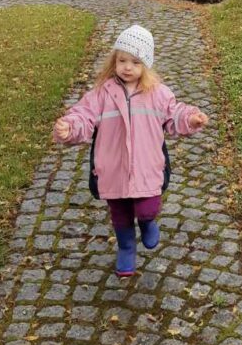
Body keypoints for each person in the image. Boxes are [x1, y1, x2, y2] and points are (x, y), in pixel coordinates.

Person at [52, 23, 209, 276]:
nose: (127, 67)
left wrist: (190, 118)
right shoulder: (102, 93)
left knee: (146, 207)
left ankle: (147, 222)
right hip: (112, 166)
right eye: (122, 60)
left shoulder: (157, 93)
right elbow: (84, 115)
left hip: (146, 167)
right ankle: (126, 248)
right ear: (114, 60)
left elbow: (173, 114)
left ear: (145, 65)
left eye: (135, 62)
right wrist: (70, 127)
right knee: (120, 214)